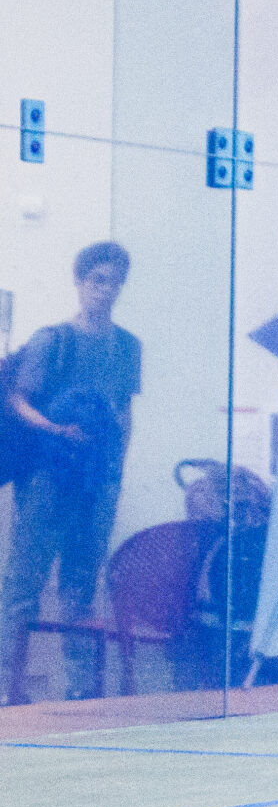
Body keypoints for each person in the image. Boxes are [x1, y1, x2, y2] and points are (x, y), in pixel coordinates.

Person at [2, 242, 143, 705]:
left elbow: (123, 411)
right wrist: (56, 428)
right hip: (47, 475)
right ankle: (6, 687)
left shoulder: (127, 347)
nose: (105, 290)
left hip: (96, 479)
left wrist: (115, 473)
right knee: (24, 581)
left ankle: (82, 691)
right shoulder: (52, 339)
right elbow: (19, 398)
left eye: (114, 281)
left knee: (82, 584)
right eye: (97, 280)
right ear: (80, 282)